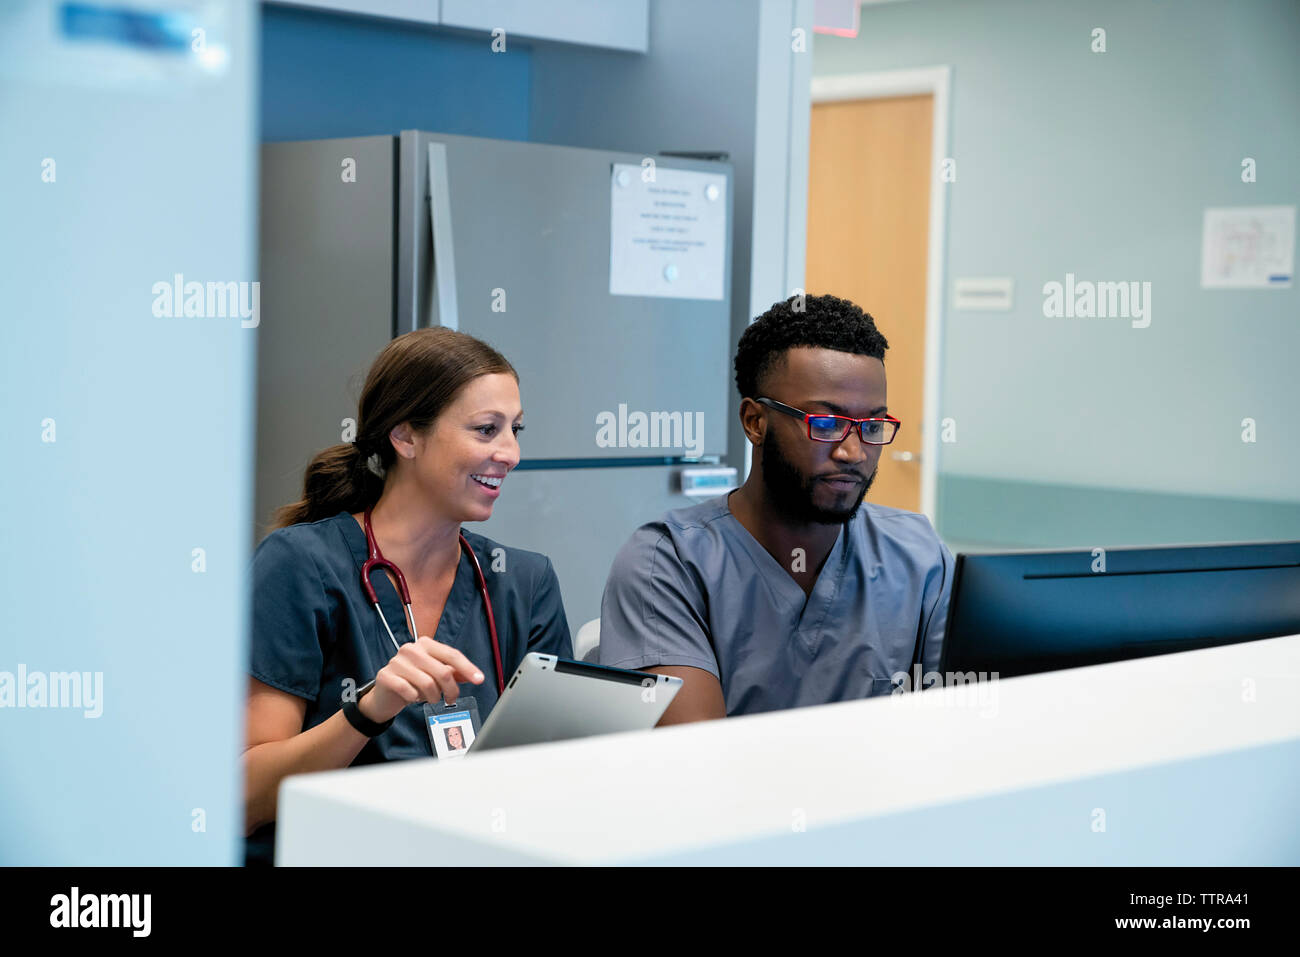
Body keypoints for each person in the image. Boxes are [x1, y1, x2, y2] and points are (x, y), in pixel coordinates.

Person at [243, 328, 571, 865]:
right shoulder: (300, 566)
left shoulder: (522, 581)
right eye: (486, 430)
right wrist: (370, 709)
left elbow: (553, 776)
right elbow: (245, 798)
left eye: (515, 429)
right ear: (406, 437)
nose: (510, 453)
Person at [598, 294, 953, 723]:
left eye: (872, 426)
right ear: (754, 421)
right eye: (826, 424)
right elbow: (695, 761)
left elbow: (965, 725)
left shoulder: (918, 555)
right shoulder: (669, 563)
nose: (853, 452)